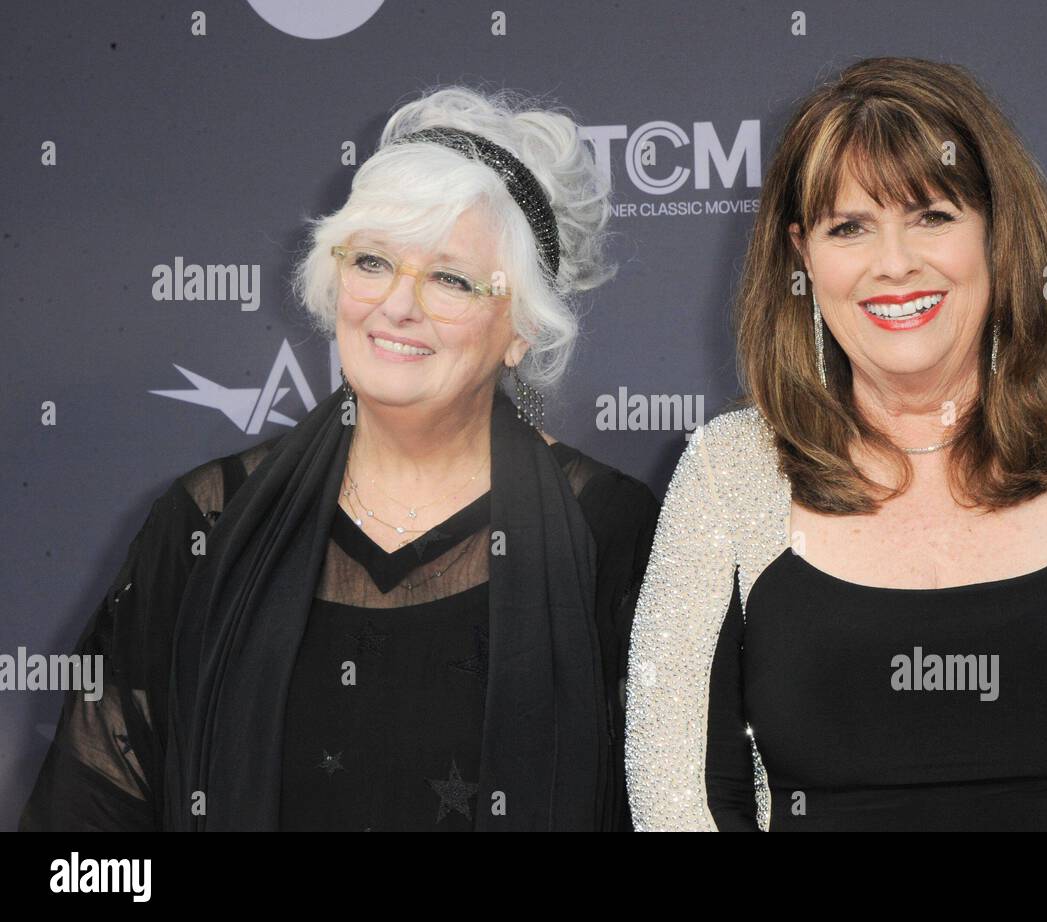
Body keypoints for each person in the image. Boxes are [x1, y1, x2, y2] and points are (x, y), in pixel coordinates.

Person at [624, 57, 1047, 831]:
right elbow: (683, 799)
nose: (894, 263)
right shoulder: (726, 473)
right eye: (850, 227)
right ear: (802, 256)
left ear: (998, 232)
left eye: (932, 216)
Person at [20, 85, 659, 831]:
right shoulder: (205, 522)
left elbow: (672, 803)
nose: (397, 304)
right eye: (373, 261)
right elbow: (86, 835)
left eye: (451, 278)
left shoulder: (611, 534)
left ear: (521, 328)